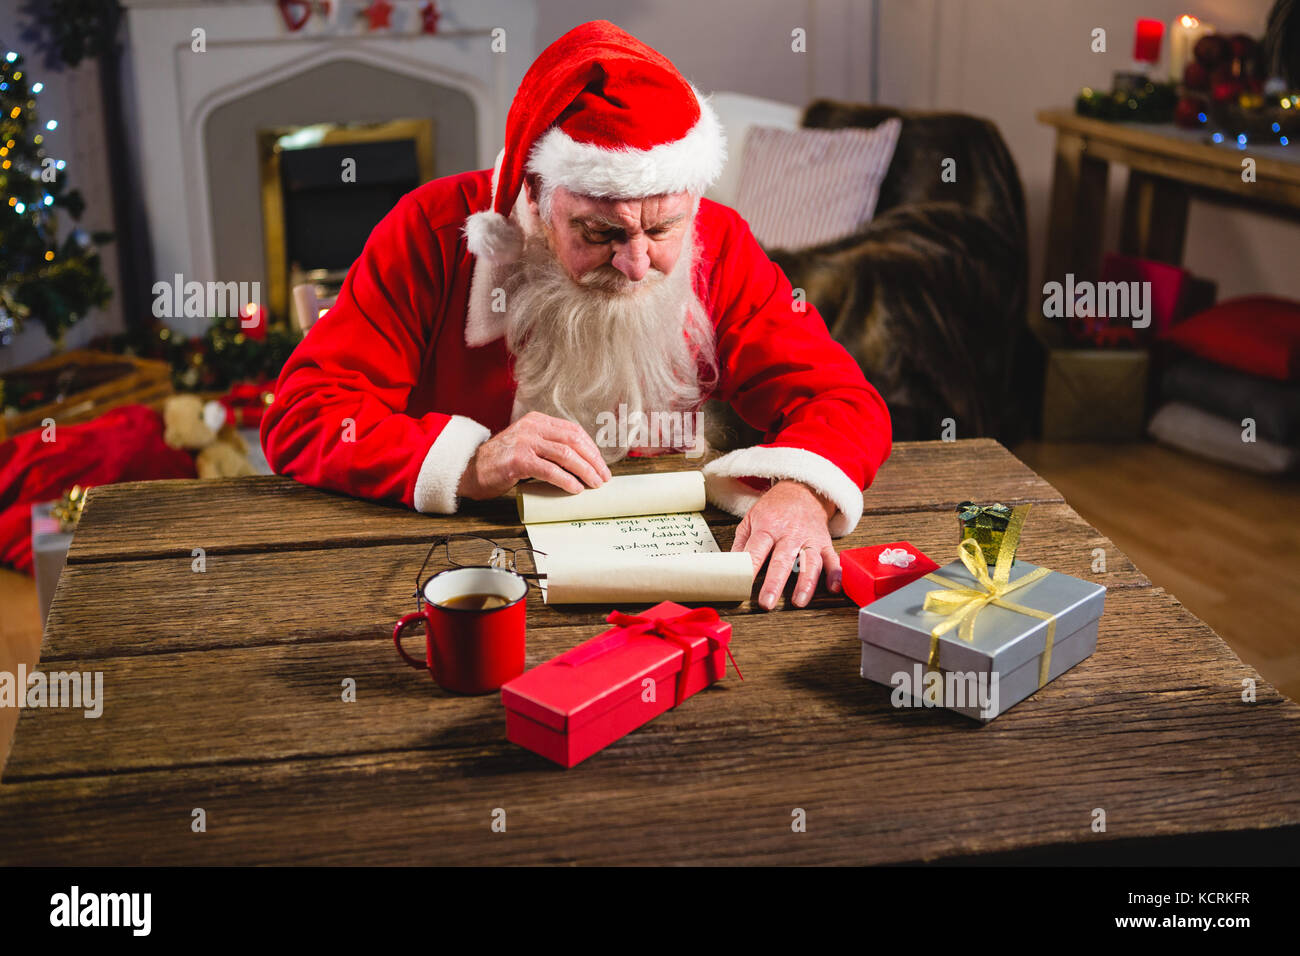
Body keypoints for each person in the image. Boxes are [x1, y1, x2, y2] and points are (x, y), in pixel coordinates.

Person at [261, 20, 892, 610]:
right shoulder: (430, 231)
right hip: (453, 574)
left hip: (668, 576)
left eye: (664, 228)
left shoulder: (720, 242)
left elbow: (841, 398)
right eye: (599, 233)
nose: (637, 264)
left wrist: (800, 490)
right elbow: (304, 415)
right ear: (534, 196)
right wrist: (473, 462)